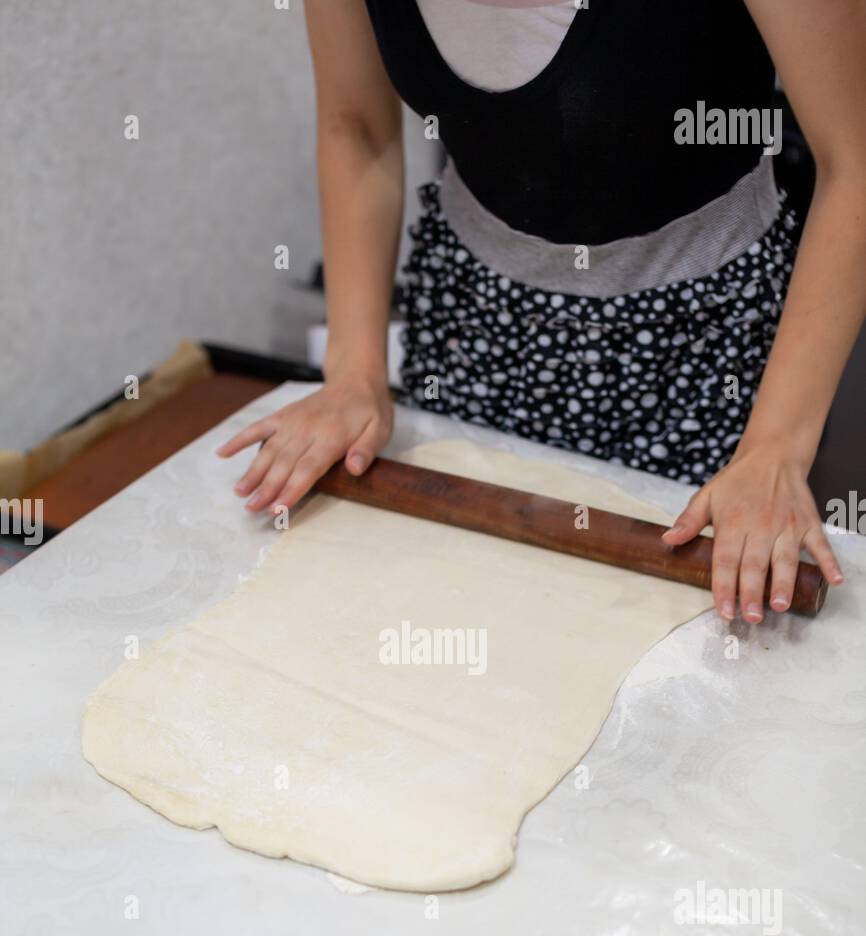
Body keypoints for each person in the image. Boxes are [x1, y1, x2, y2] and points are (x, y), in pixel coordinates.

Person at [218, 0, 866, 622]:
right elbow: (355, 128)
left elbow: (856, 162)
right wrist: (353, 376)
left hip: (703, 341)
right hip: (472, 322)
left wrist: (775, 452)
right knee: (455, 603)